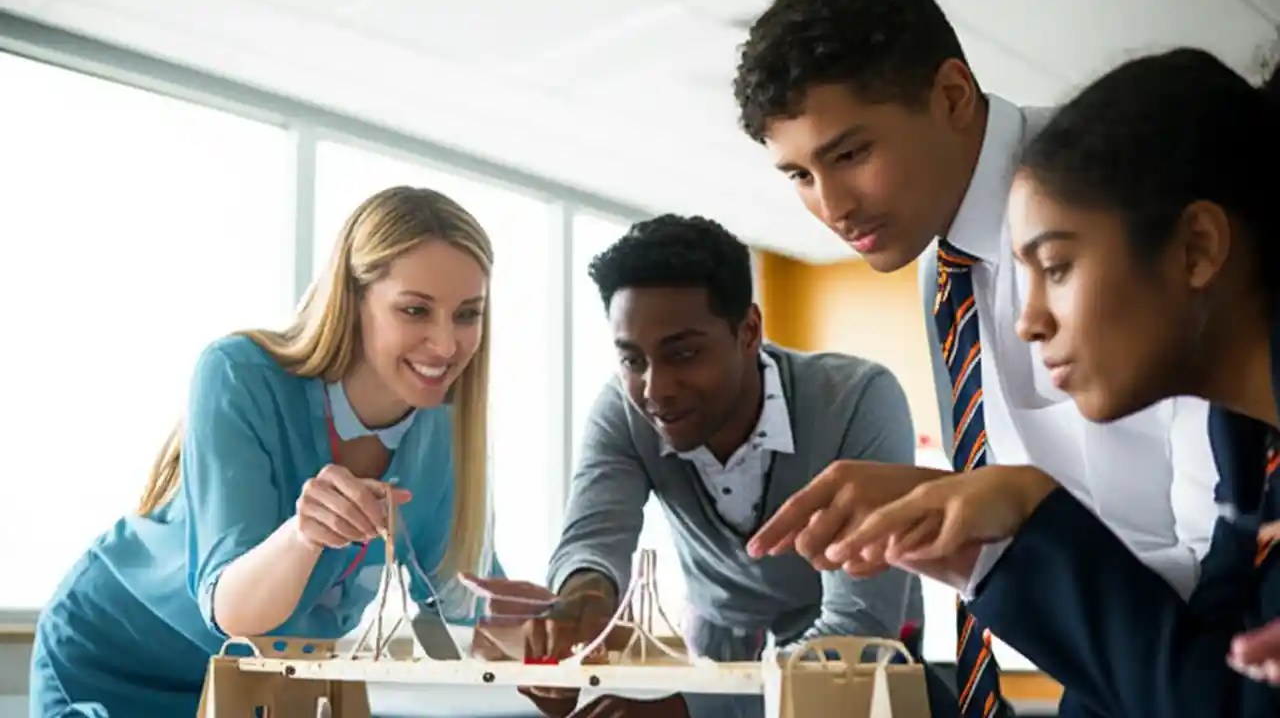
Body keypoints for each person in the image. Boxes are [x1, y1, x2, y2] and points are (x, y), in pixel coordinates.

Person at [755, 48, 1280, 716]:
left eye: (1057, 267)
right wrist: (995, 533)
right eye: (799, 173)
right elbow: (1214, 671)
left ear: (1198, 249)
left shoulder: (1118, 173)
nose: (1029, 322)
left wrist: (1032, 517)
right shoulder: (1246, 447)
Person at [29, 186, 502, 716]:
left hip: (260, 683)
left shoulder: (441, 432)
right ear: (353, 300)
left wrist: (560, 621)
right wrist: (305, 535)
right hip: (118, 655)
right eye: (415, 310)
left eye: (467, 315)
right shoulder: (239, 375)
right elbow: (234, 609)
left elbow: (464, 602)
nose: (445, 344)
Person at [469, 214, 924, 718]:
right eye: (632, 360)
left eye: (682, 354)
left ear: (749, 331)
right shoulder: (624, 411)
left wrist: (687, 710)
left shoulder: (857, 400)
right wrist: (581, 605)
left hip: (858, 661)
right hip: (719, 651)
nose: (655, 389)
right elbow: (593, 539)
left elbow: (859, 621)